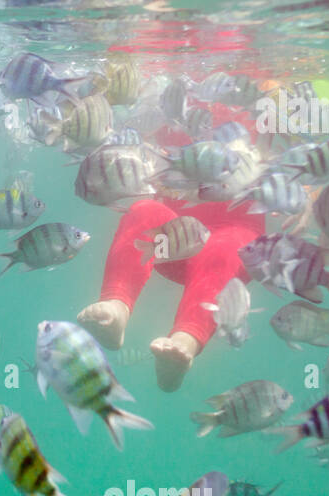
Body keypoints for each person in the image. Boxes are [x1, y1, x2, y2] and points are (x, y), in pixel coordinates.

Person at [77, 99, 266, 394]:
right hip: (174, 238)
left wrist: (310, 199)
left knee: (226, 250)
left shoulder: (266, 97)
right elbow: (140, 141)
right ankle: (116, 309)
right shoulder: (172, 96)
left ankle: (183, 345)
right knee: (143, 211)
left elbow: (303, 161)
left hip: (236, 235)